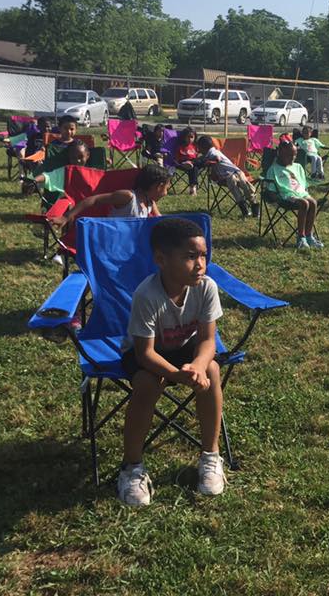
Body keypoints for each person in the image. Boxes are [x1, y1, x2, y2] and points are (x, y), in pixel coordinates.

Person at [116, 217, 227, 506]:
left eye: (203, 255)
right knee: (147, 383)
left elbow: (206, 341)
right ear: (161, 259)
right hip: (145, 352)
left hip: (186, 349)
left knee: (213, 371)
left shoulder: (206, 287)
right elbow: (144, 355)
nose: (200, 264)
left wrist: (198, 367)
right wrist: (177, 375)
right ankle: (131, 468)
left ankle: (210, 457)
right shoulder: (147, 294)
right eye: (190, 257)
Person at [52, 163, 171, 230]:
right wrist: (66, 217)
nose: (166, 193)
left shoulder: (149, 202)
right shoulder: (128, 197)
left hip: (129, 243)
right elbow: (94, 199)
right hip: (112, 240)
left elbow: (160, 219)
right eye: (166, 189)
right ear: (159, 186)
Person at [266, 138, 323, 250]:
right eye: (289, 155)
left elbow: (303, 185)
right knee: (304, 204)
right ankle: (300, 237)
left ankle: (309, 235)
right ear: (280, 154)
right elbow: (271, 190)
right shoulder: (273, 169)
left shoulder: (298, 167)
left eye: (295, 155)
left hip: (300, 193)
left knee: (313, 202)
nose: (292, 158)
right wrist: (276, 199)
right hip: (286, 195)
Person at [196, 135, 259, 217]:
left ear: (204, 147)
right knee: (241, 184)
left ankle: (252, 210)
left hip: (235, 173)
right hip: (233, 174)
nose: (199, 150)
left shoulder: (212, 153)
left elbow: (217, 158)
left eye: (199, 148)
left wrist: (209, 162)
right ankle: (248, 210)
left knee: (243, 186)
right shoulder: (212, 152)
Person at [174, 127, 201, 196]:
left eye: (192, 137)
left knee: (196, 164)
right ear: (184, 137)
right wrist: (182, 163)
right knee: (193, 168)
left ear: (195, 137)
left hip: (194, 162)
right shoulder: (180, 146)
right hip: (183, 163)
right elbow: (177, 159)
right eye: (188, 137)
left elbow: (197, 156)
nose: (190, 139)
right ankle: (193, 188)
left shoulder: (195, 146)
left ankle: (192, 187)